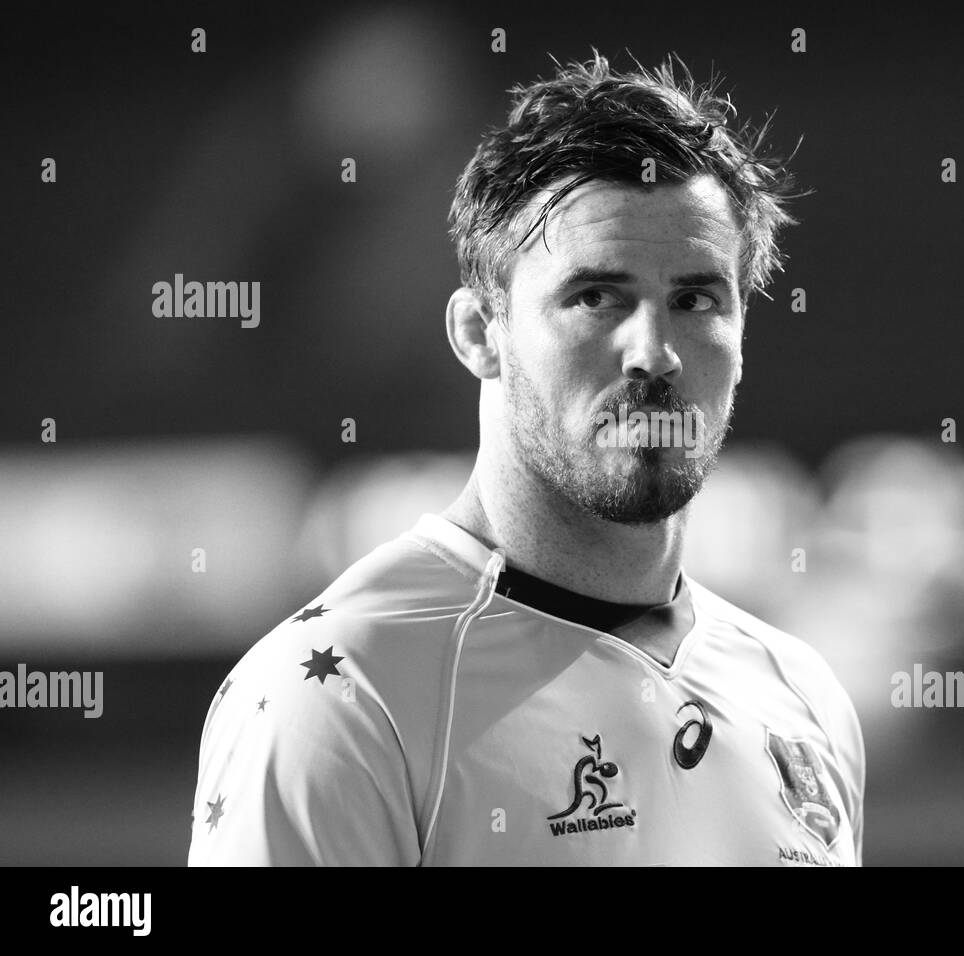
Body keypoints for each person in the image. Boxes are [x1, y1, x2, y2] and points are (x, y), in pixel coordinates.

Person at [188, 52, 864, 866]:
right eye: (595, 297)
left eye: (695, 299)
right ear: (479, 334)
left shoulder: (799, 696)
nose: (654, 353)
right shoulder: (340, 697)